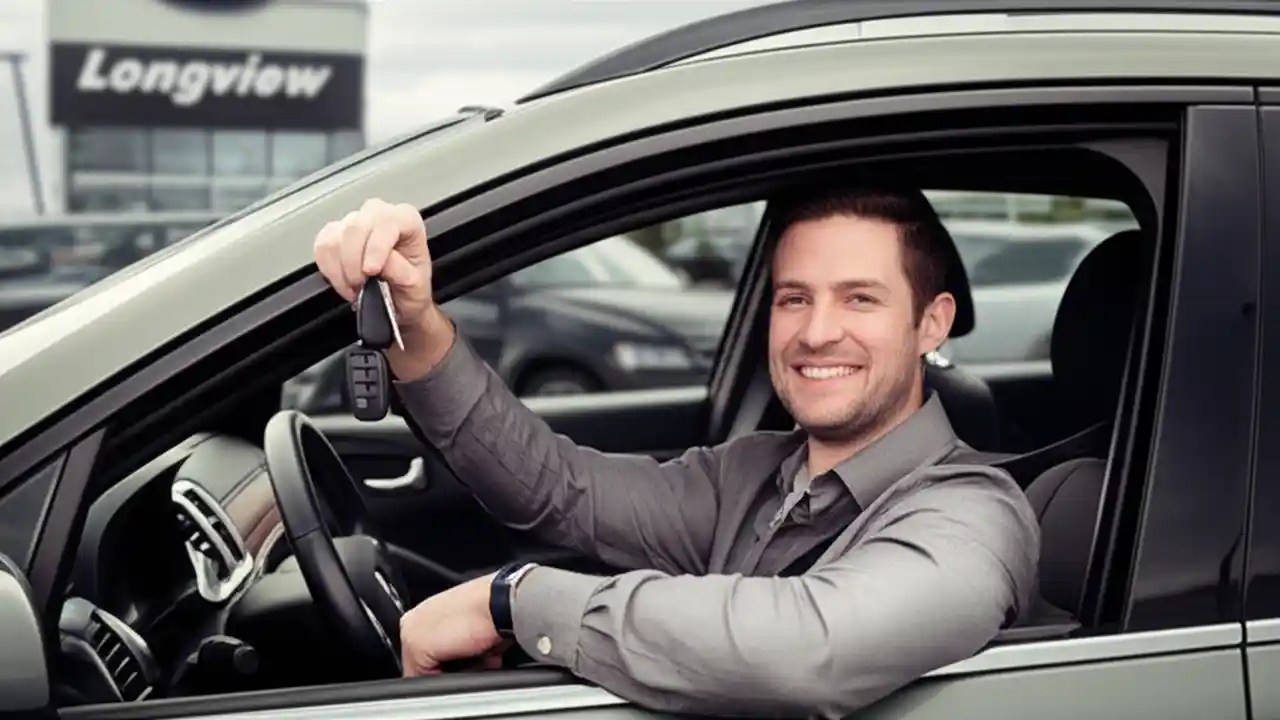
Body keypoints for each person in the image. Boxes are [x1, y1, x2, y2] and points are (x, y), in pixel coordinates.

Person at [312, 186, 1040, 719]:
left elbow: (806, 651)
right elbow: (559, 491)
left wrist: (513, 601)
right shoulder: (756, 472)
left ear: (931, 322)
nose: (817, 332)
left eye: (859, 299)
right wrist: (417, 325)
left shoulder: (973, 513)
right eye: (793, 298)